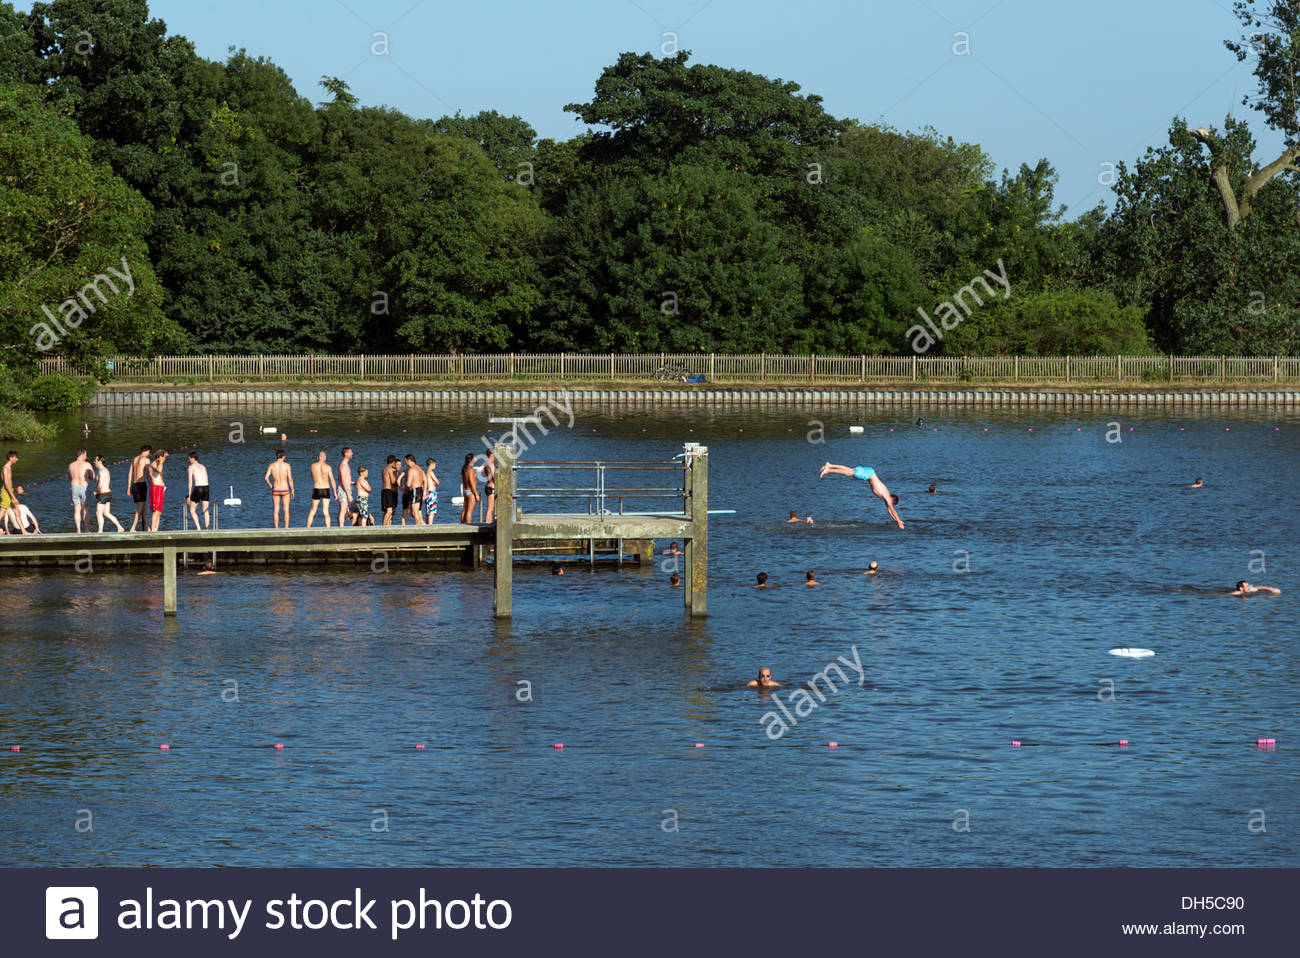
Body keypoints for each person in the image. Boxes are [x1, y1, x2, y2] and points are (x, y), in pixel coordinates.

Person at [819, 462, 905, 529]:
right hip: (869, 475)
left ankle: (830, 465)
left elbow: (890, 511)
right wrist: (899, 522)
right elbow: (892, 510)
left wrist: (898, 520)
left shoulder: (886, 495)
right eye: (892, 503)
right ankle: (829, 470)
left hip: (870, 472)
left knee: (849, 470)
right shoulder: (886, 496)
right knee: (848, 473)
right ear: (892, 500)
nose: (890, 504)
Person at [92, 455, 124, 533]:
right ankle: (120, 527)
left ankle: (100, 531)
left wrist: (96, 492)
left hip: (103, 494)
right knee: (106, 513)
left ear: (100, 461)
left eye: (95, 460)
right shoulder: (105, 470)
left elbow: (100, 485)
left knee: (98, 512)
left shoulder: (102, 471)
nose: (94, 462)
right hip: (108, 494)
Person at [306, 450, 336, 528]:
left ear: (317, 457)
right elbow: (332, 480)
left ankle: (308, 528)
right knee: (326, 511)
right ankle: (328, 528)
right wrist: (335, 492)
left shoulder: (312, 466)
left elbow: (312, 476)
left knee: (312, 510)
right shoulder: (328, 467)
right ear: (325, 458)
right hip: (326, 489)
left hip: (316, 488)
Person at [264, 449, 294, 528]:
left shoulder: (272, 465)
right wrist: (293, 490)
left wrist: (270, 485)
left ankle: (276, 528)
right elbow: (290, 479)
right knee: (286, 510)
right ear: (283, 456)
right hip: (285, 489)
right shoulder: (287, 465)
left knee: (276, 509)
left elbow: (266, 478)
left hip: (276, 489)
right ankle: (286, 528)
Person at [67, 448, 94, 533]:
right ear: (82, 455)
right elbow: (92, 476)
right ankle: (86, 529)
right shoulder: (87, 464)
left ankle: (78, 529)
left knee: (77, 509)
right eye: (86, 455)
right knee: (86, 509)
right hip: (84, 487)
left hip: (74, 488)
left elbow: (70, 477)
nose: (86, 457)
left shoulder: (71, 465)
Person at [128, 444, 152, 532]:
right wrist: (152, 485)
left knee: (143, 507)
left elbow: (130, 473)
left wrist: (128, 487)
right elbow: (149, 475)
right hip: (141, 484)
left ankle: (147, 527)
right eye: (149, 452)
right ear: (147, 451)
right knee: (140, 508)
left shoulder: (134, 459)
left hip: (134, 484)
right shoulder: (146, 460)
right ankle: (133, 527)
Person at [2, 450, 26, 535]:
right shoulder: (6, 468)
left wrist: (16, 489)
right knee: (2, 512)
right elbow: (6, 484)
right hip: (6, 493)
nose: (17, 459)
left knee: (17, 511)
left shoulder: (9, 468)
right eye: (15, 457)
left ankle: (23, 531)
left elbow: (9, 485)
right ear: (10, 457)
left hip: (10, 492)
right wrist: (13, 497)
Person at [186, 452, 210, 529]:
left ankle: (198, 527)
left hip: (198, 488)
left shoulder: (191, 467)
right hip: (206, 488)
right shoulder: (203, 466)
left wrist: (189, 495)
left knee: (192, 510)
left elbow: (190, 482)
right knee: (205, 510)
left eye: (189, 459)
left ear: (193, 458)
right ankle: (207, 528)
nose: (189, 460)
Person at [147, 449, 169, 531]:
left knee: (159, 511)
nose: (165, 459)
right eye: (164, 457)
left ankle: (156, 530)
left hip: (160, 488)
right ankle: (153, 530)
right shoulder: (154, 464)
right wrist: (160, 461)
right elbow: (158, 470)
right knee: (155, 511)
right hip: (156, 488)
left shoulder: (158, 463)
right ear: (160, 457)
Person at [403, 454, 426, 525]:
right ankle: (422, 524)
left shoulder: (411, 470)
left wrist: (405, 484)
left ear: (409, 460)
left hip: (415, 491)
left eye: (405, 461)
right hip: (420, 490)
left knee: (414, 511)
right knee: (415, 511)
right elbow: (425, 480)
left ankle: (418, 527)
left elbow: (408, 484)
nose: (405, 463)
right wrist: (424, 492)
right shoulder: (420, 469)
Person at [336, 447, 355, 527]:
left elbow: (347, 480)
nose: (352, 453)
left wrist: (355, 483)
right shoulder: (343, 465)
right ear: (346, 454)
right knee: (343, 509)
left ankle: (340, 527)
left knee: (342, 509)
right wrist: (348, 494)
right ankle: (341, 528)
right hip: (343, 489)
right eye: (351, 452)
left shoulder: (346, 464)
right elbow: (343, 481)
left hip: (346, 489)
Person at [460, 453, 480, 524]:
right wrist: (476, 494)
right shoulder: (470, 469)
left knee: (464, 510)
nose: (476, 458)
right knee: (469, 511)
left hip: (465, 491)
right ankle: (469, 526)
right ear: (471, 459)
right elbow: (471, 482)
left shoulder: (464, 469)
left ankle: (462, 524)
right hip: (471, 492)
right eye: (475, 457)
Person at [381, 455, 401, 526]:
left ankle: (388, 525)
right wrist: (399, 480)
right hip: (389, 491)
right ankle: (383, 527)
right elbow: (393, 481)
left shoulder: (384, 469)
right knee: (390, 511)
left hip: (384, 490)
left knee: (387, 511)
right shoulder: (390, 469)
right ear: (393, 462)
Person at [482, 450, 496, 524]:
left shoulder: (486, 464)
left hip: (488, 486)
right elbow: (494, 477)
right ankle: (487, 524)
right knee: (490, 508)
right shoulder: (491, 464)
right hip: (492, 488)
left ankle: (489, 523)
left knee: (491, 508)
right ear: (491, 455)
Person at [424, 458, 439, 523]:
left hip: (428, 492)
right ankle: (430, 526)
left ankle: (428, 524)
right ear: (431, 464)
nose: (435, 466)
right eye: (435, 464)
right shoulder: (430, 472)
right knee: (431, 512)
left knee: (428, 511)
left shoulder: (426, 472)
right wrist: (435, 482)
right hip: (431, 493)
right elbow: (437, 482)